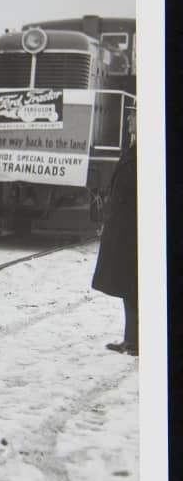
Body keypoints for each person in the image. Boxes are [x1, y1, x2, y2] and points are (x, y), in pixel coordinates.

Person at [92, 108, 138, 356]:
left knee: (133, 285)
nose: (128, 118)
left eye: (134, 115)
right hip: (124, 226)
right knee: (129, 287)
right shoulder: (134, 147)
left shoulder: (145, 150)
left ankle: (135, 341)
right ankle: (131, 339)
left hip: (132, 229)